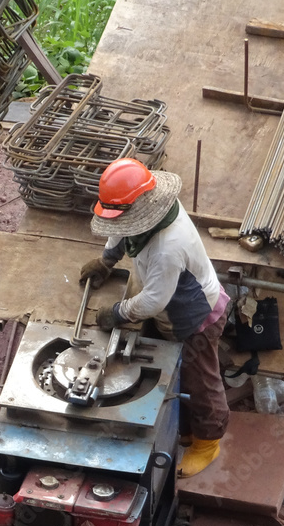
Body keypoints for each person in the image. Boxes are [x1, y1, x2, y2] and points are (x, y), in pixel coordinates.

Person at [80, 158, 229, 478]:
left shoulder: (167, 246)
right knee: (169, 371)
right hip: (167, 309)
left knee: (200, 382)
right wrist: (106, 260)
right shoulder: (145, 214)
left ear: (143, 209)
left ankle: (208, 442)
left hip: (194, 317)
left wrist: (117, 313)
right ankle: (185, 428)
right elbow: (121, 228)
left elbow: (153, 299)